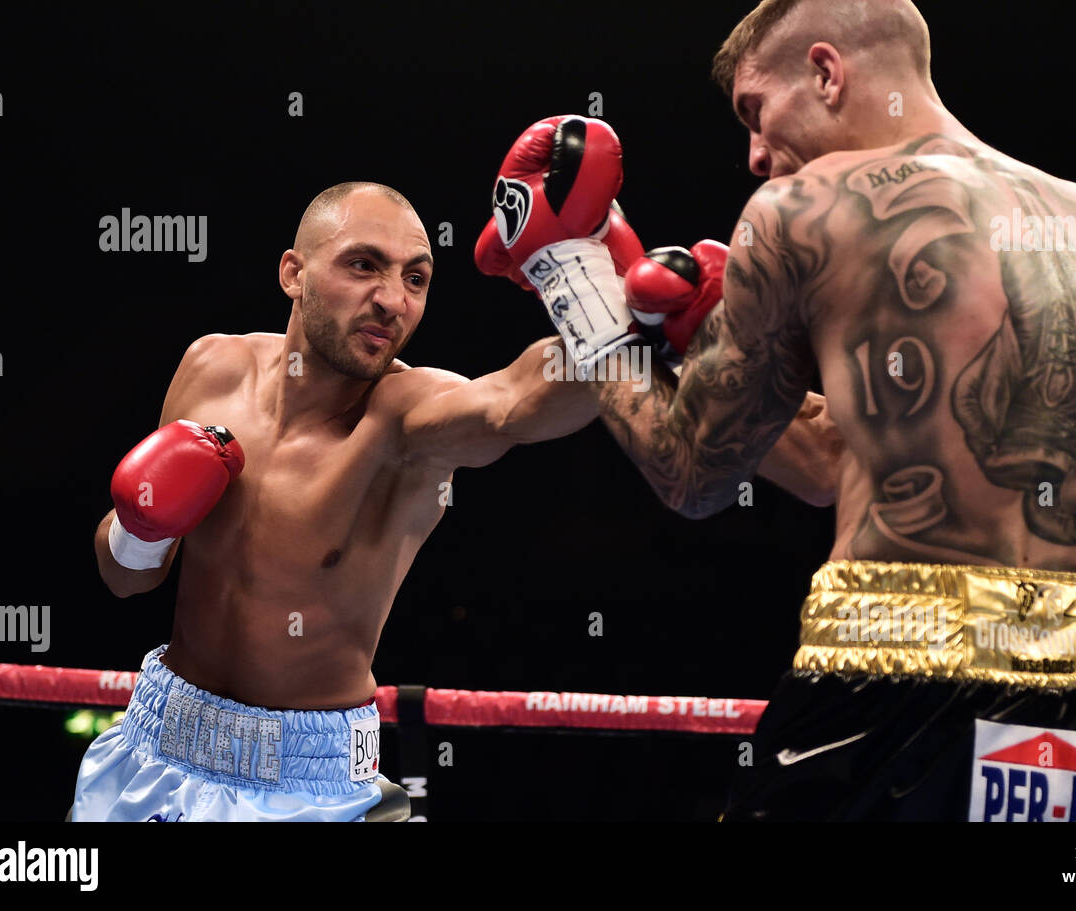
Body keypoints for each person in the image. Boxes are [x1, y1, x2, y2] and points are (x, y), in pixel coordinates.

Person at [476, 0, 1076, 821]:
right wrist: (693, 339)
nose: (754, 154)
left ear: (827, 72)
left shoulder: (798, 208)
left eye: (756, 112)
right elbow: (843, 460)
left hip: (884, 686)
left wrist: (573, 277)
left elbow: (692, 474)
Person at [73, 178, 836, 821]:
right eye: (363, 266)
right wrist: (141, 530)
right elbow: (124, 578)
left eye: (415, 277)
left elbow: (514, 399)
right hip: (151, 747)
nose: (390, 299)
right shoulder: (211, 367)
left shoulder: (404, 419)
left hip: (308, 790)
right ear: (292, 273)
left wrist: (629, 314)